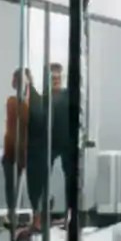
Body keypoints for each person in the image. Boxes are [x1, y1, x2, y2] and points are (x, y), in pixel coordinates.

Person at [4, 68, 50, 241]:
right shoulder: (13, 102)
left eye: (22, 80)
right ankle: (12, 217)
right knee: (11, 186)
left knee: (36, 187)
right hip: (12, 150)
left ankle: (37, 219)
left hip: (34, 151)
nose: (18, 83)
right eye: (16, 80)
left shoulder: (39, 100)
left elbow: (42, 124)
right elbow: (11, 128)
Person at [49, 62, 76, 224]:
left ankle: (70, 216)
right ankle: (41, 216)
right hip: (48, 143)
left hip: (67, 143)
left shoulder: (69, 95)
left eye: (58, 77)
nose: (56, 80)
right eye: (53, 77)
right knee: (42, 181)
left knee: (71, 181)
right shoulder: (44, 97)